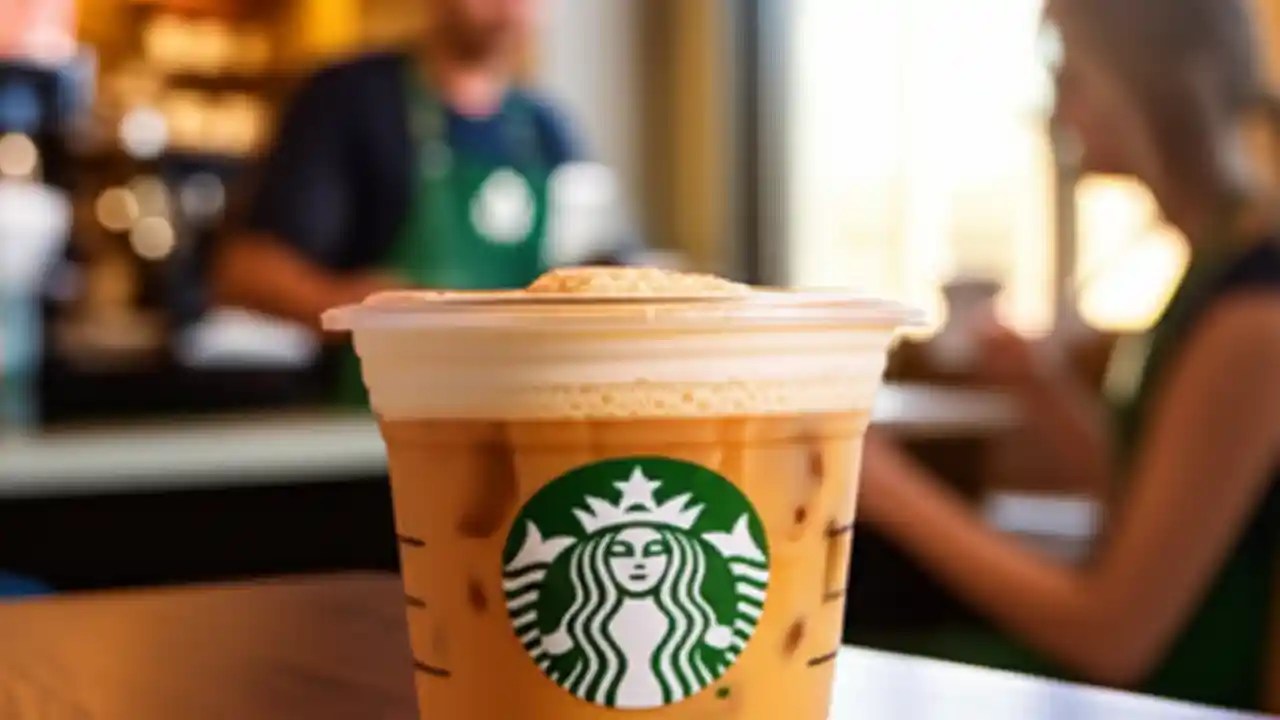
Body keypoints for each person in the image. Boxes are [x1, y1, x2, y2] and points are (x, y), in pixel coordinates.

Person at [857, 0, 1280, 711]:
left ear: (1145, 85)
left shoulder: (1252, 316)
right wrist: (1044, 393)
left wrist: (888, 490)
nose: (1058, 110)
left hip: (1167, 696)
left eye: (1073, 75)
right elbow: (1149, 500)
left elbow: (1115, 637)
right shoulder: (1210, 267)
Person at [212, 0, 637, 402]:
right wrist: (374, 308)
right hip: (375, 424)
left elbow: (607, 269)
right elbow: (249, 271)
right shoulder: (351, 101)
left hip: (522, 421)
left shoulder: (549, 130)